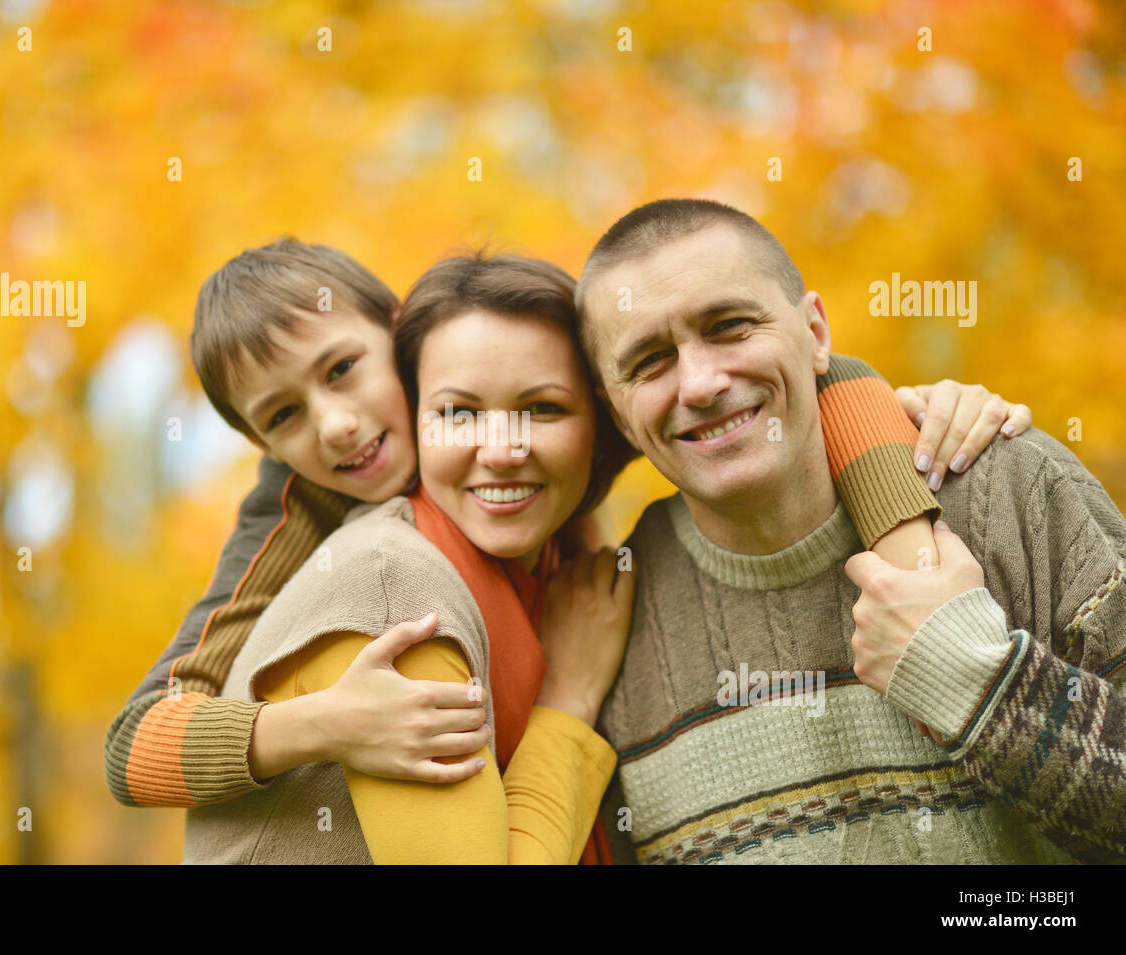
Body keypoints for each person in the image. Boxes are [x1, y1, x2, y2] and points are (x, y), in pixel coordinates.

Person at [104, 239, 1025, 833]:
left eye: (345, 369)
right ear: (261, 445)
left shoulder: (523, 414)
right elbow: (134, 743)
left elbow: (809, 381)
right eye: (284, 417)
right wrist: (323, 724)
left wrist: (913, 509)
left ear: (401, 339)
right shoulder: (298, 516)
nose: (337, 425)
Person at [574, 197, 1126, 863]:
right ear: (617, 412)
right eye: (650, 360)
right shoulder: (609, 626)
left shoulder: (1012, 491)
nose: (700, 382)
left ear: (816, 333)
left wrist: (979, 684)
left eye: (729, 326)